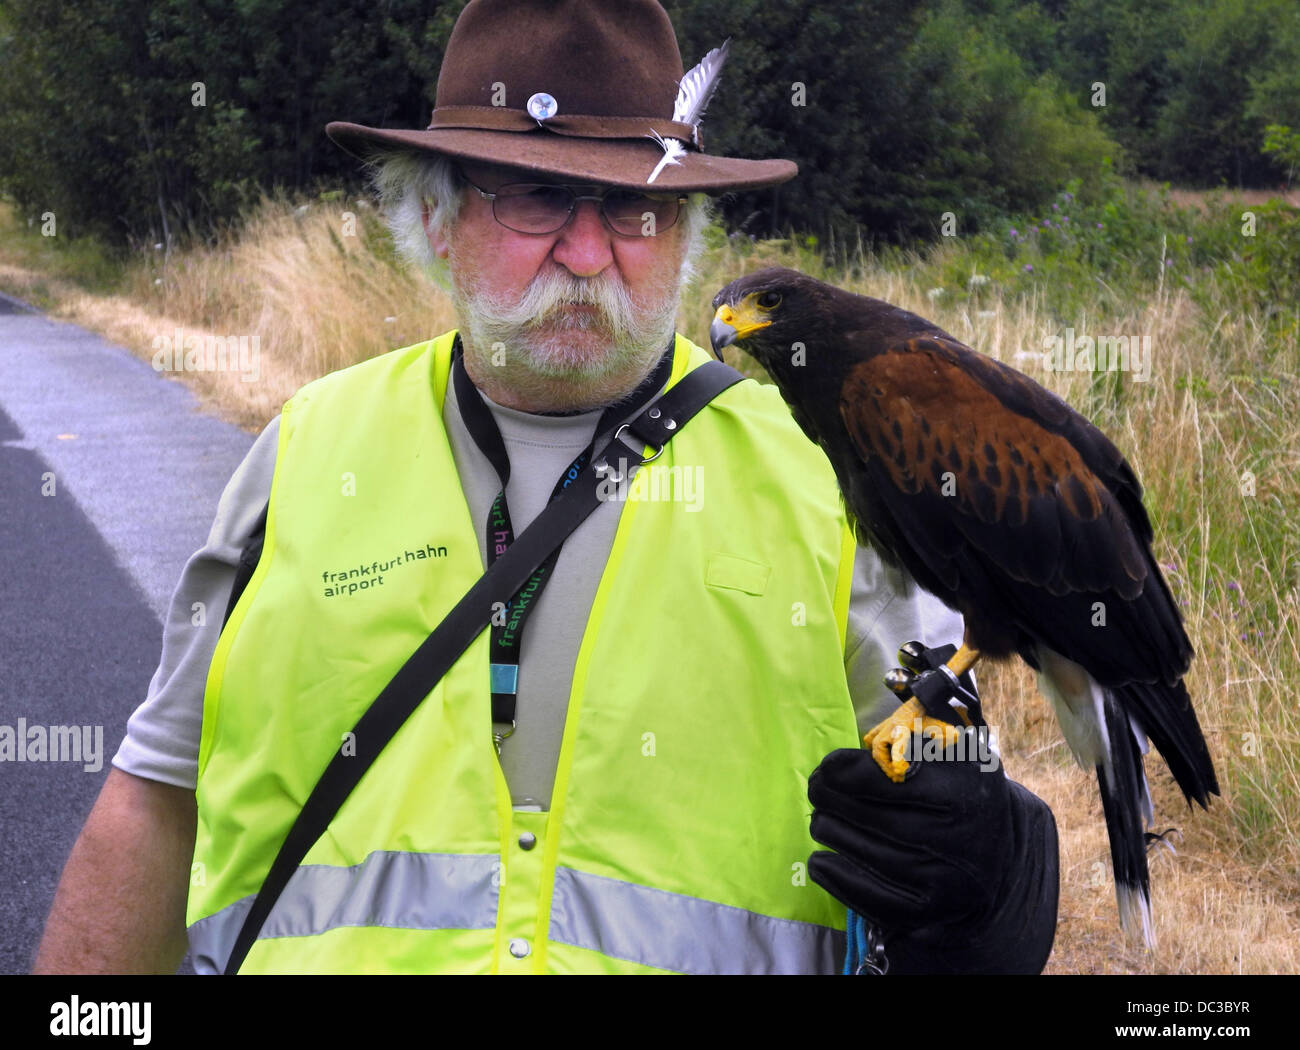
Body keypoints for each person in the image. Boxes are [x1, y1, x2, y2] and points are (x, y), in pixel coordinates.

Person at [34, 0, 1057, 975]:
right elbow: (157, 801)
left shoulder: (823, 479)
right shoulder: (308, 447)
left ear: (684, 229)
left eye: (632, 208)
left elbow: (944, 805)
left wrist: (994, 881)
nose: (584, 252)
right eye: (534, 199)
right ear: (436, 220)